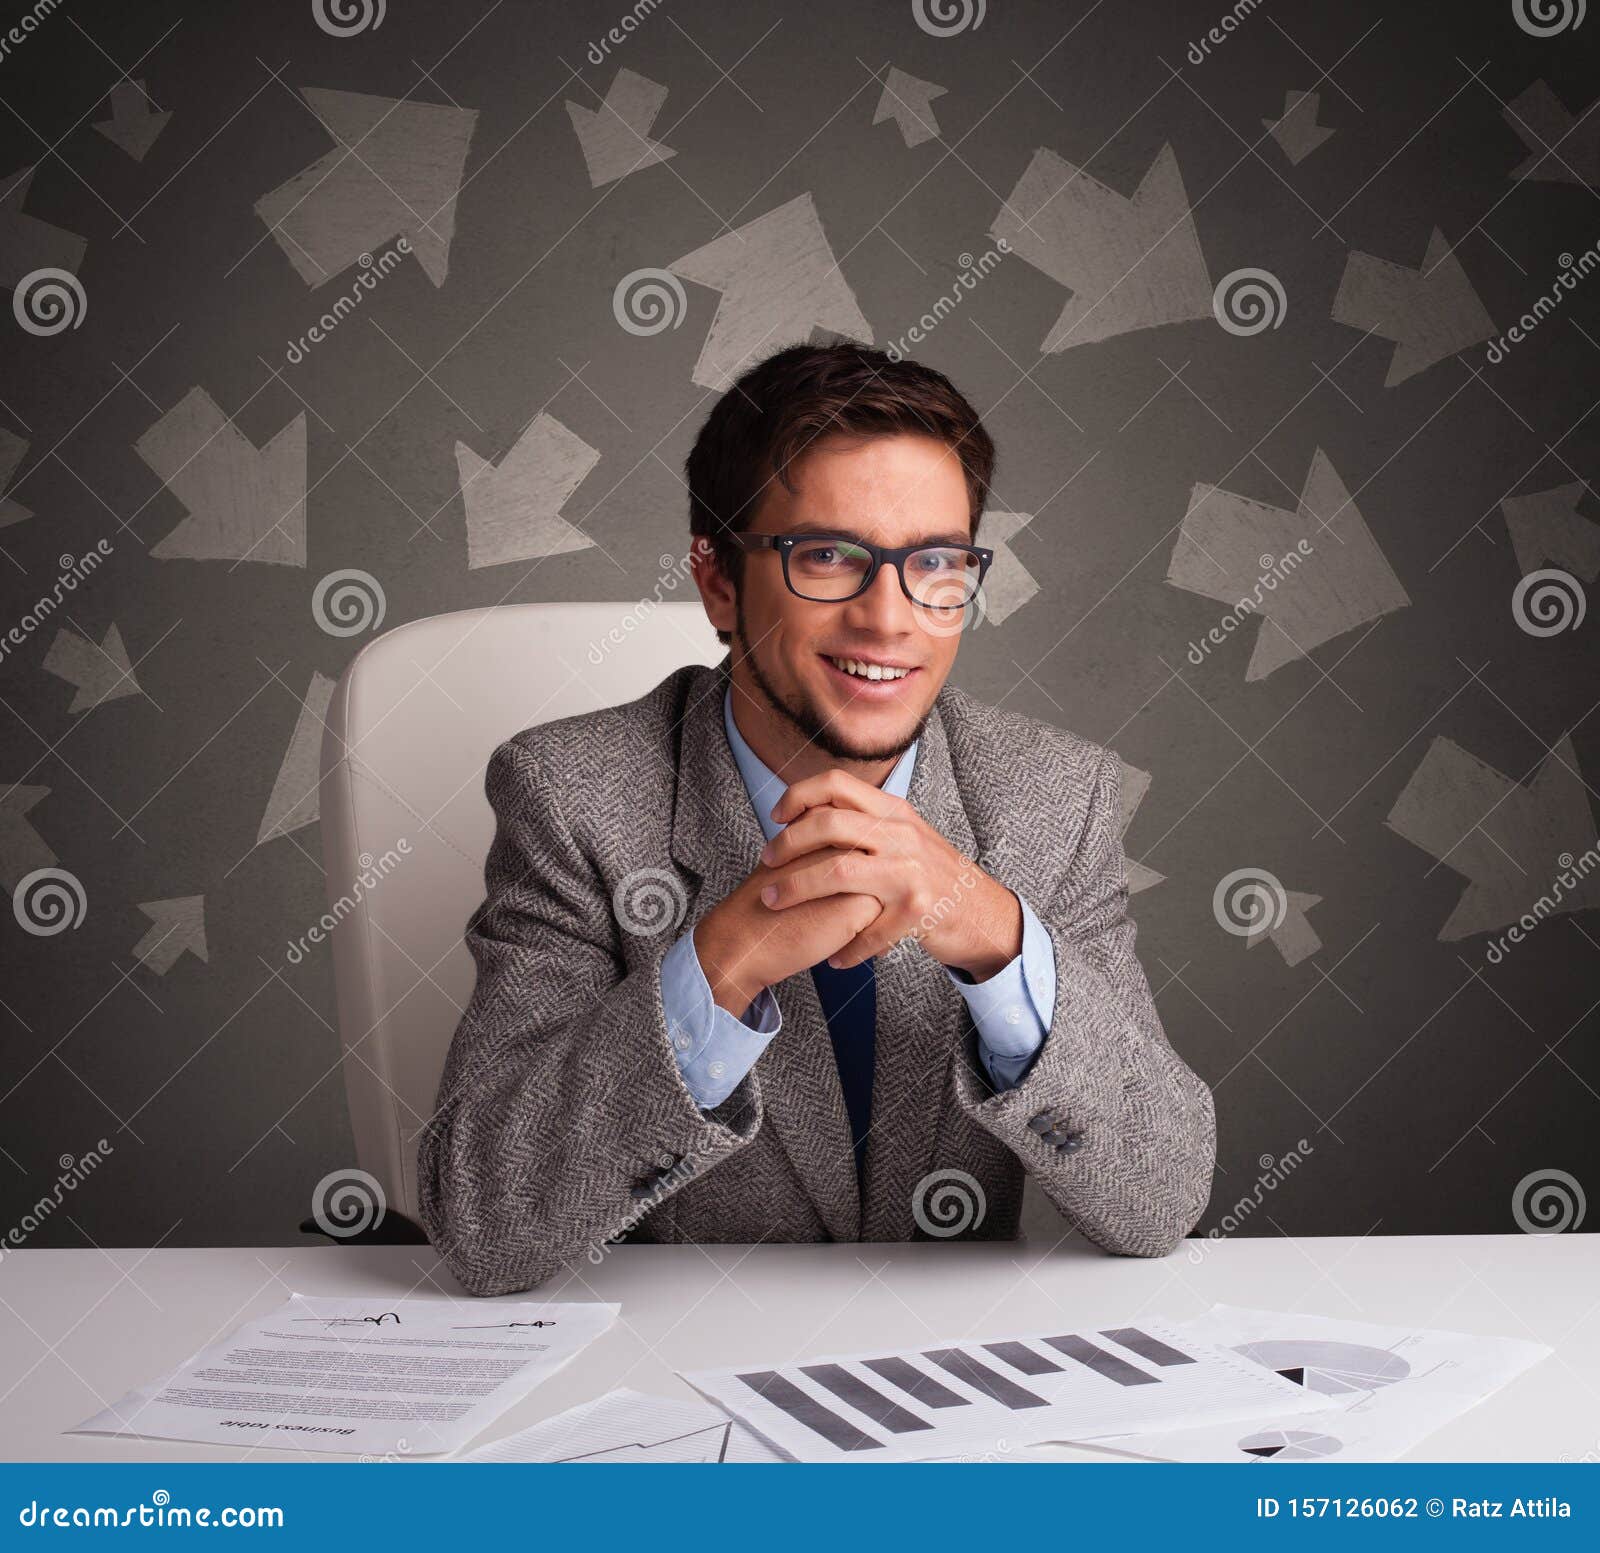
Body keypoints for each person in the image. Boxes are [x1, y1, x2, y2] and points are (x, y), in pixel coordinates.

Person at [418, 342, 1215, 1296]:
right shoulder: (571, 795)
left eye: (936, 563)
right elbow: (483, 1227)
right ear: (719, 580)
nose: (890, 619)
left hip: (948, 1363)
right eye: (828, 557)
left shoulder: (1055, 795)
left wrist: (994, 932)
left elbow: (1160, 1198)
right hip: (670, 1359)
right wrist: (720, 969)